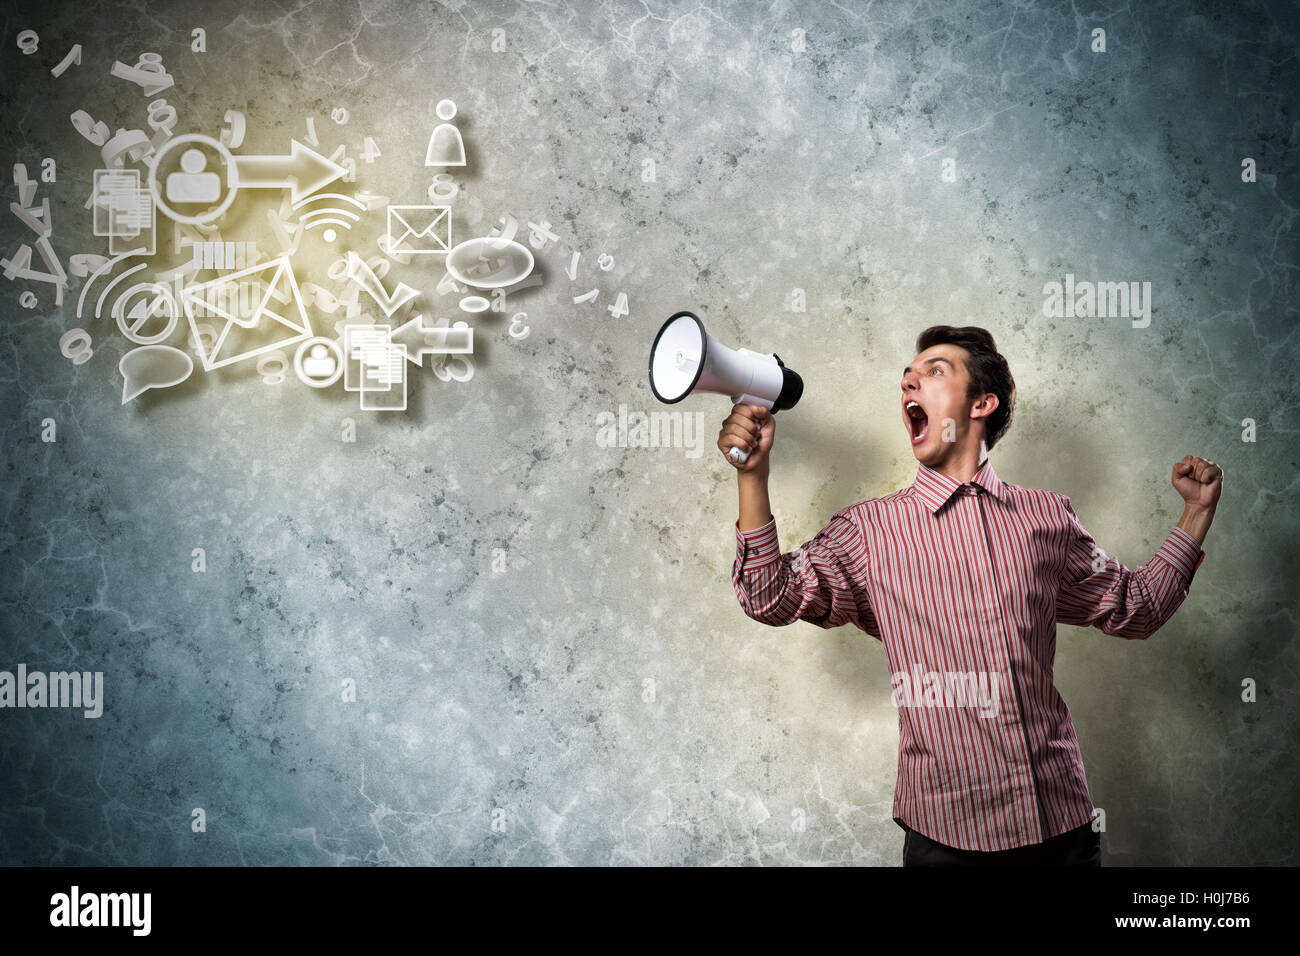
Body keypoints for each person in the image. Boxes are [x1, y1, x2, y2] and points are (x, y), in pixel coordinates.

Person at [722, 325, 1223, 866]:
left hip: (1060, 828)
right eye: (908, 376)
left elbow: (1137, 608)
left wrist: (1196, 513)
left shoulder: (1047, 516)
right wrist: (754, 477)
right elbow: (767, 596)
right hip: (944, 839)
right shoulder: (868, 532)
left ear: (983, 403)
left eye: (935, 370)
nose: (910, 379)